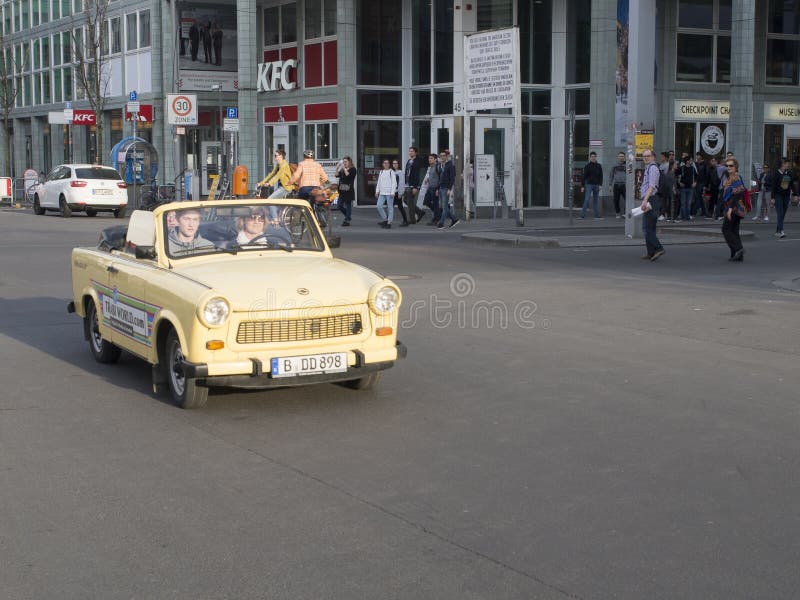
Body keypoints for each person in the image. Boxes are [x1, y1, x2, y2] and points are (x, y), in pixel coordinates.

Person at [639, 149, 665, 261]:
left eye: (648, 156)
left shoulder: (653, 168)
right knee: (650, 228)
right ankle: (651, 252)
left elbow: (652, 186)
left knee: (646, 228)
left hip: (651, 200)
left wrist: (645, 200)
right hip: (651, 199)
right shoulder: (648, 168)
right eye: (644, 156)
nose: (646, 158)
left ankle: (659, 248)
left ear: (653, 157)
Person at [720, 157, 747, 261]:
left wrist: (730, 209)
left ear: (736, 167)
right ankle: (737, 255)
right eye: (727, 166)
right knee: (734, 231)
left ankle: (738, 249)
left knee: (726, 229)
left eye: (731, 165)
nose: (728, 167)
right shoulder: (730, 178)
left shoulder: (736, 178)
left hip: (733, 208)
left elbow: (738, 194)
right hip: (733, 207)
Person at [403, 146, 426, 224]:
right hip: (407, 184)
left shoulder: (417, 162)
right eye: (409, 151)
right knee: (405, 200)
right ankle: (419, 212)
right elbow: (407, 173)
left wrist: (415, 187)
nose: (410, 152)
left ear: (415, 153)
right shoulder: (409, 161)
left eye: (412, 151)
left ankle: (412, 219)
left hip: (413, 185)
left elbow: (417, 175)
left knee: (409, 201)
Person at [437, 150, 458, 229]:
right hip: (441, 187)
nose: (442, 157)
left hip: (446, 188)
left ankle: (441, 223)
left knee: (445, 207)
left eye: (443, 156)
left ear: (446, 157)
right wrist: (438, 188)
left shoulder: (450, 165)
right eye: (441, 156)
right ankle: (454, 219)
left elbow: (452, 178)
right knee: (443, 206)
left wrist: (449, 188)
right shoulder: (440, 165)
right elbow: (439, 177)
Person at [772, 158, 793, 238]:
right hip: (778, 196)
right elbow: (773, 186)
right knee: (780, 213)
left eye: (788, 163)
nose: (788, 165)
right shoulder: (776, 173)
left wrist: (796, 194)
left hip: (786, 196)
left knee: (782, 214)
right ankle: (781, 231)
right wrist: (772, 198)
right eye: (787, 163)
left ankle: (778, 231)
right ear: (782, 164)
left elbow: (791, 184)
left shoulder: (789, 173)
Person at [580, 151, 603, 219]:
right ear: (590, 157)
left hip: (596, 185)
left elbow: (601, 176)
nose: (593, 158)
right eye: (592, 157)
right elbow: (584, 176)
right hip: (589, 185)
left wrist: (600, 185)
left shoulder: (599, 166)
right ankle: (582, 215)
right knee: (587, 199)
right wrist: (582, 186)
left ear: (596, 157)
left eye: (594, 157)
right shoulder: (587, 166)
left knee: (595, 201)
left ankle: (597, 215)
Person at [335, 156, 357, 226]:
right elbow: (336, 175)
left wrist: (343, 168)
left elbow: (348, 175)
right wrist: (337, 167)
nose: (344, 163)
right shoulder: (342, 169)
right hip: (341, 190)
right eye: (343, 162)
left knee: (348, 205)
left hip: (348, 190)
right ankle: (348, 216)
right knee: (339, 206)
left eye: (346, 161)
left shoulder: (353, 169)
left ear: (349, 162)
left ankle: (347, 220)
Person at [375, 159, 396, 229]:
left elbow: (394, 183)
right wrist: (377, 191)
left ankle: (389, 223)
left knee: (390, 208)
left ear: (389, 164)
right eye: (384, 163)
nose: (386, 164)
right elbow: (379, 182)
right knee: (379, 206)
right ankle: (385, 219)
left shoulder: (391, 172)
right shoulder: (381, 172)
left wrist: (392, 192)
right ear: (383, 164)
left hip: (389, 193)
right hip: (382, 193)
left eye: (387, 163)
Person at [421, 153, 440, 225]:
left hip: (435, 188)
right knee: (426, 201)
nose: (429, 160)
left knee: (435, 204)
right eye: (429, 158)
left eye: (431, 158)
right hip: (430, 187)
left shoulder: (437, 167)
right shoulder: (431, 167)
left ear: (435, 159)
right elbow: (433, 176)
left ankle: (436, 219)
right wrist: (428, 179)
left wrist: (438, 189)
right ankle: (438, 213)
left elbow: (440, 178)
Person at [677, 152, 695, 222]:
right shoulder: (682, 168)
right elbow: (677, 175)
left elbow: (697, 177)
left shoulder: (693, 168)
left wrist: (695, 183)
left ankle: (687, 217)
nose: (691, 161)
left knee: (689, 203)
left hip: (690, 188)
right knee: (683, 203)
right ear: (687, 161)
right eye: (690, 160)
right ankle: (683, 216)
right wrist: (679, 182)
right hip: (683, 188)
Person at [391, 159, 410, 226]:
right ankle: (387, 220)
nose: (395, 165)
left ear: (398, 164)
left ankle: (405, 221)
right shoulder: (392, 172)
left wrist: (400, 193)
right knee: (393, 207)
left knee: (399, 207)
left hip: (397, 193)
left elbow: (401, 183)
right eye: (393, 163)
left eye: (396, 163)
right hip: (393, 192)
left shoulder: (400, 172)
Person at [609, 151, 626, 219]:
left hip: (624, 185)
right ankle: (617, 213)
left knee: (627, 200)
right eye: (620, 156)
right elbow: (611, 175)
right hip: (616, 185)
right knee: (616, 200)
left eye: (622, 156)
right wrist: (610, 185)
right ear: (618, 157)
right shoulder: (614, 166)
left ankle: (625, 213)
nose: (621, 157)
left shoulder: (627, 165)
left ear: (624, 157)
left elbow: (630, 174)